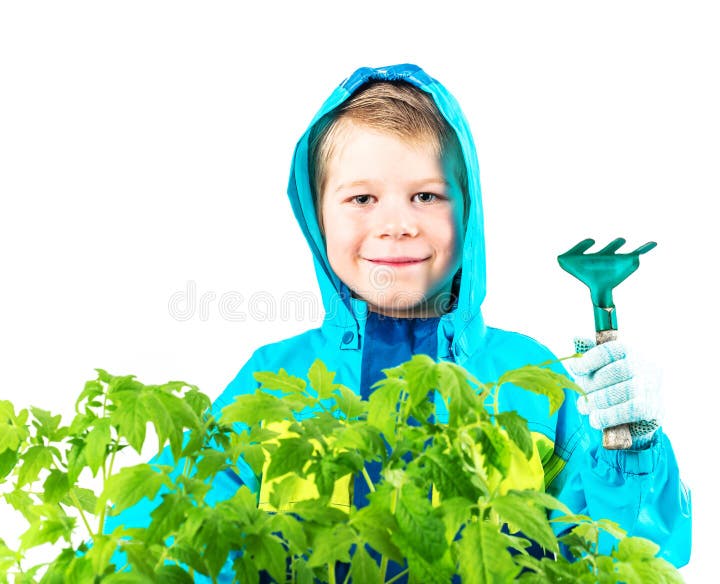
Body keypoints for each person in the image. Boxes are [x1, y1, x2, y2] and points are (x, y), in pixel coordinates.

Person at [108, 63, 692, 579]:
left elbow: (624, 556)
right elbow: (172, 533)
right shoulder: (272, 383)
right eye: (362, 199)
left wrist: (630, 448)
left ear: (471, 212)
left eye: (427, 196)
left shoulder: (530, 377)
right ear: (318, 217)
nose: (397, 225)